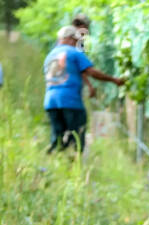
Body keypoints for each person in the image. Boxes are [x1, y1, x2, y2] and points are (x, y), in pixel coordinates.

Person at [43, 25, 124, 153]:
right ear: (69, 39)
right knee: (77, 137)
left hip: (51, 102)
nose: (76, 43)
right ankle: (76, 165)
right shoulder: (74, 52)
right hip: (70, 101)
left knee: (57, 138)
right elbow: (91, 71)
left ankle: (54, 161)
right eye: (75, 41)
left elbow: (73, 71)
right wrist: (113, 80)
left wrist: (89, 86)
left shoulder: (50, 55)